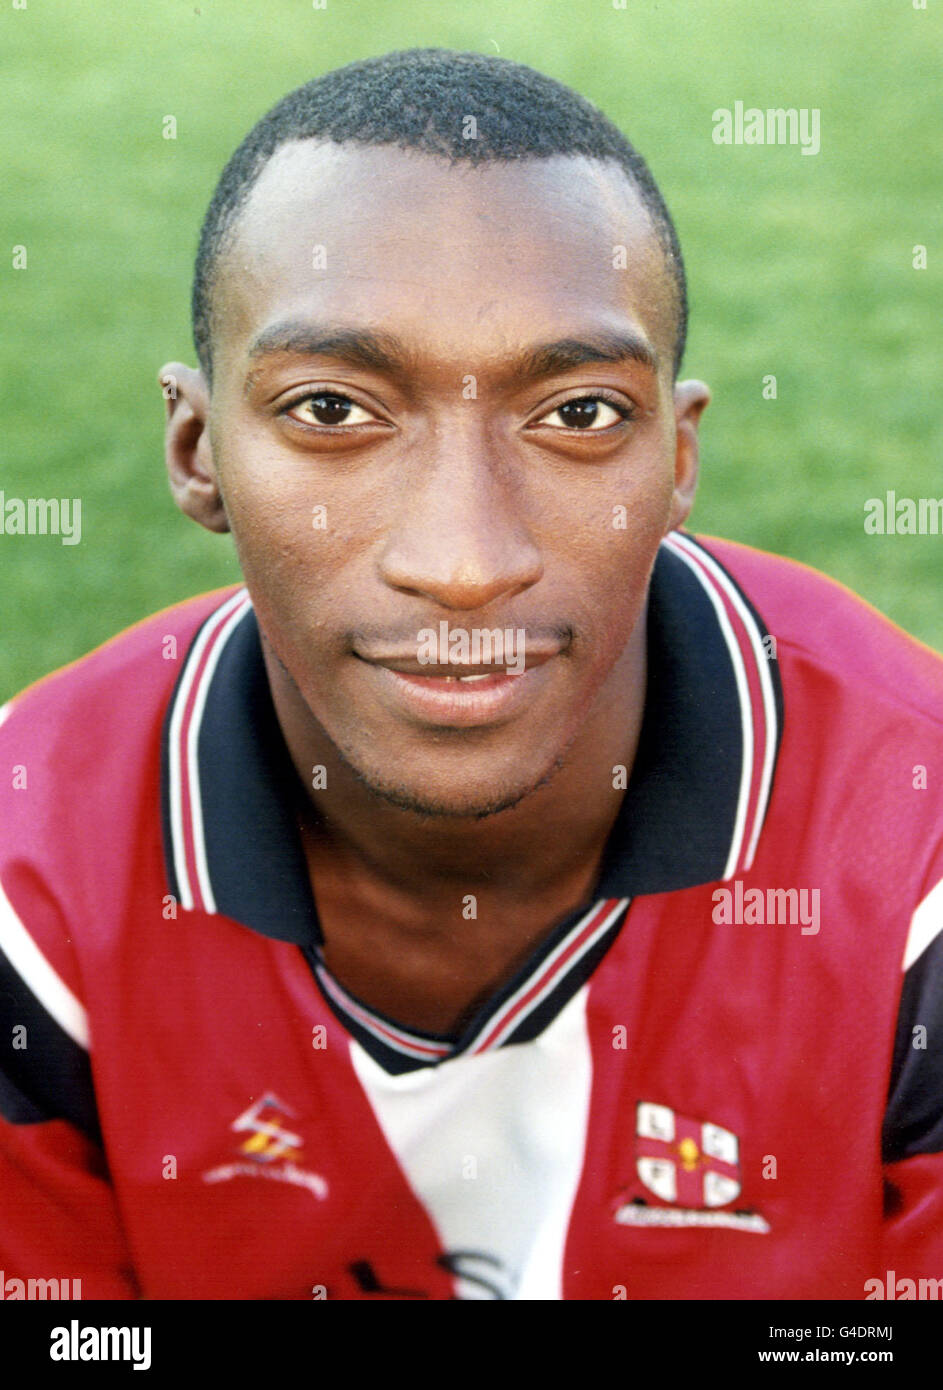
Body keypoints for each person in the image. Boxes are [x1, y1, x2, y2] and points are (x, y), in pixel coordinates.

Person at [1, 48, 941, 1302]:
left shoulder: (912, 840)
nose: (462, 562)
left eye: (578, 414)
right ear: (197, 449)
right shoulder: (31, 874)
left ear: (676, 459)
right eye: (332, 409)